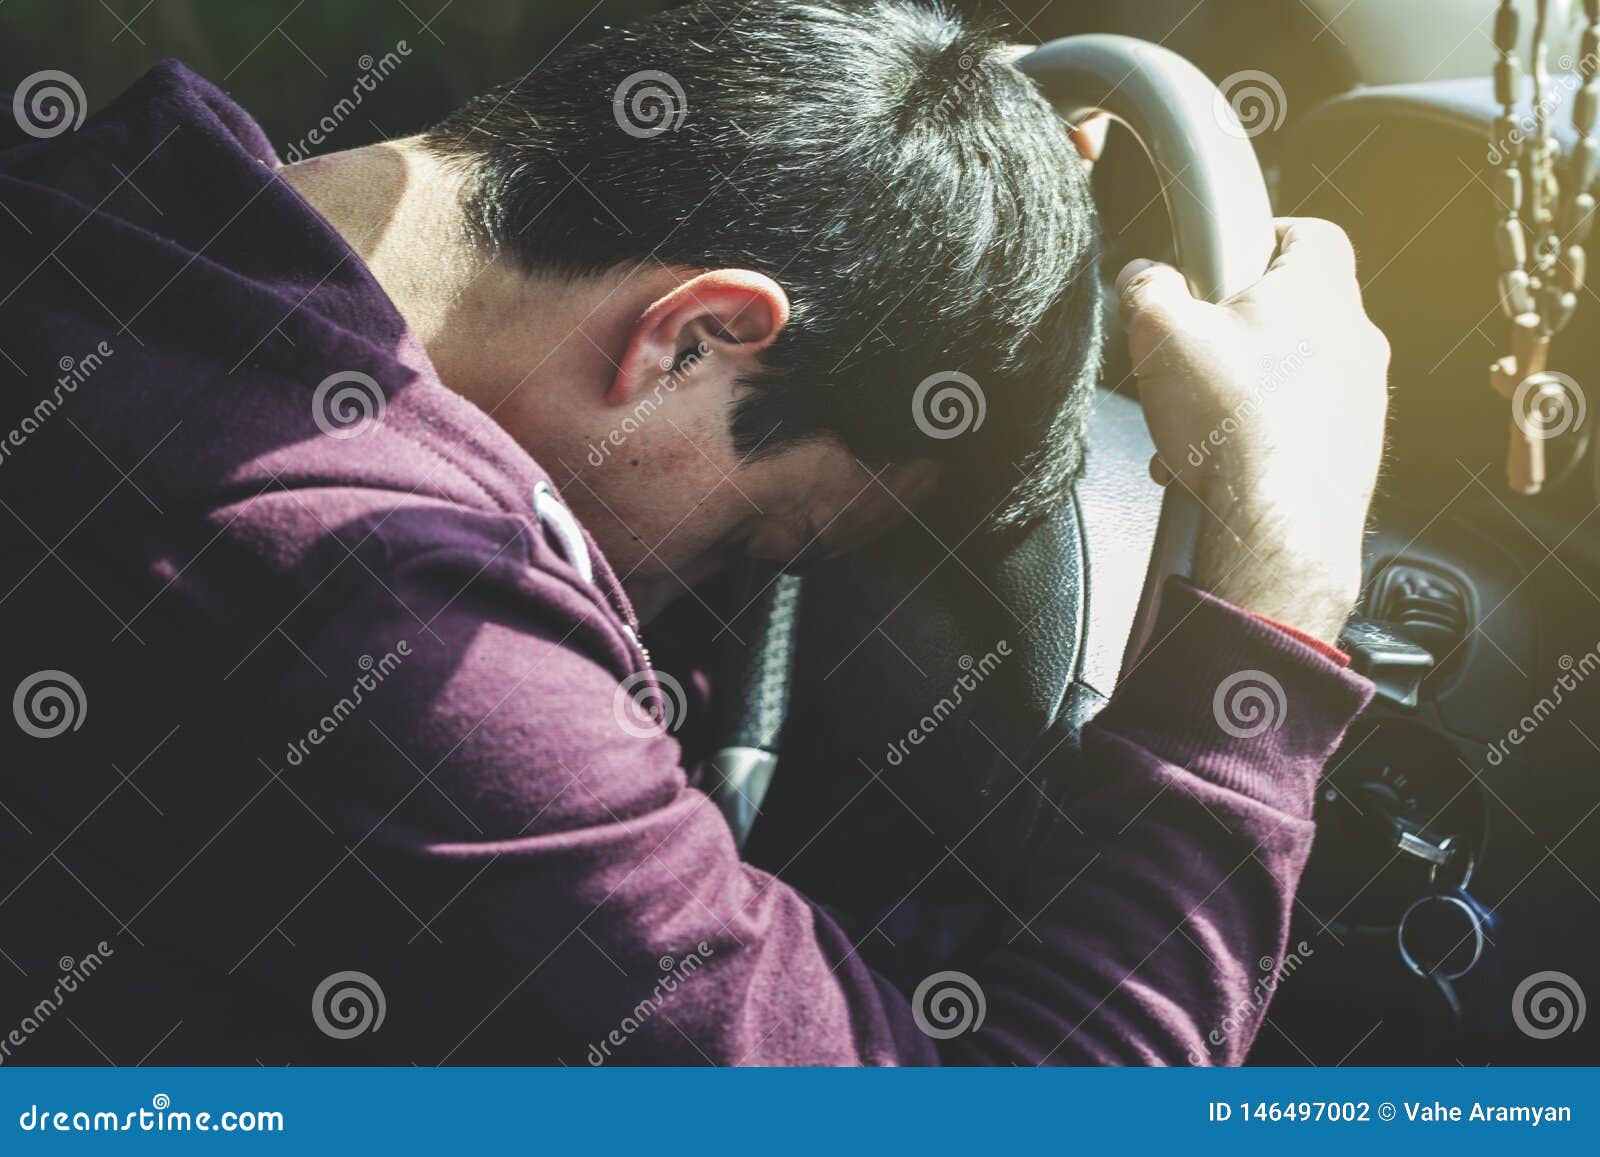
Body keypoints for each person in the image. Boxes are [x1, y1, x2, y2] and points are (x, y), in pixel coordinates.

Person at [0, 0, 1386, 1064]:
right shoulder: (398, 625)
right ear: (695, 336)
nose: (695, 592)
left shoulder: (106, 201)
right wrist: (1281, 582)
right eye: (753, 542)